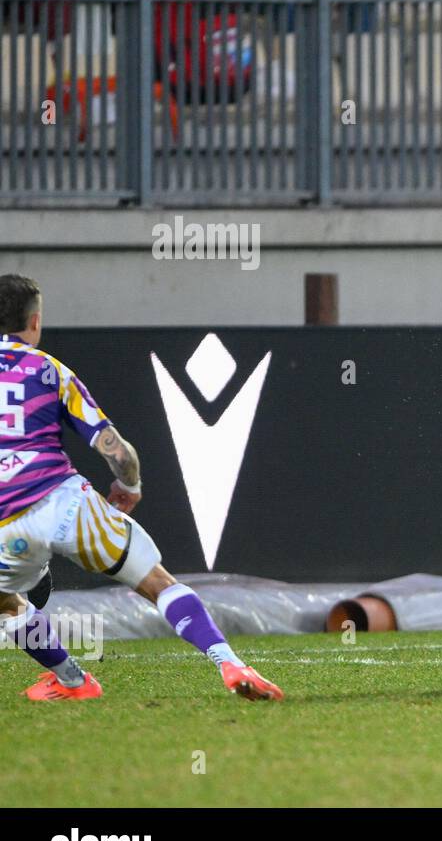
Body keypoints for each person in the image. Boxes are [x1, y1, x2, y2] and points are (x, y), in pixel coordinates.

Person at [0, 274, 283, 702]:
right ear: (34, 322)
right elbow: (115, 448)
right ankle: (231, 663)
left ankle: (74, 681)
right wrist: (127, 484)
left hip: (7, 521)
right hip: (63, 500)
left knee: (5, 603)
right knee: (157, 582)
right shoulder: (49, 370)